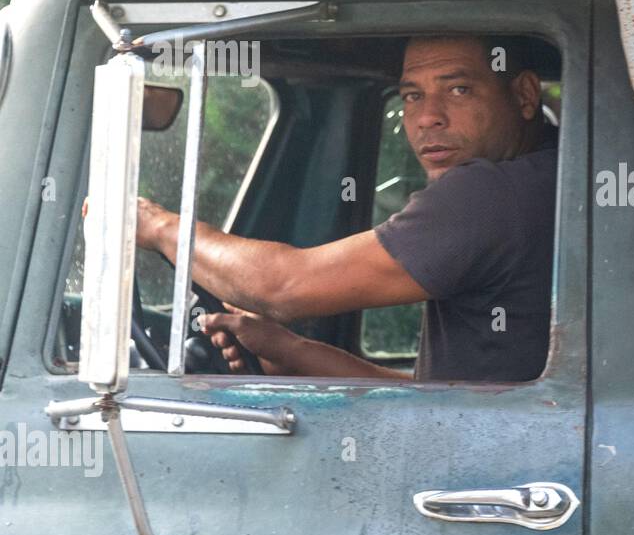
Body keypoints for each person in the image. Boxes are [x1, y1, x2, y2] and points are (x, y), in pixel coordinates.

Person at [134, 34, 558, 382]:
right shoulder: (551, 179)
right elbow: (443, 397)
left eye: (458, 89)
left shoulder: (491, 193)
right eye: (411, 96)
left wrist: (157, 227)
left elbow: (282, 287)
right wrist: (292, 351)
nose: (428, 117)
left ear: (523, 95)